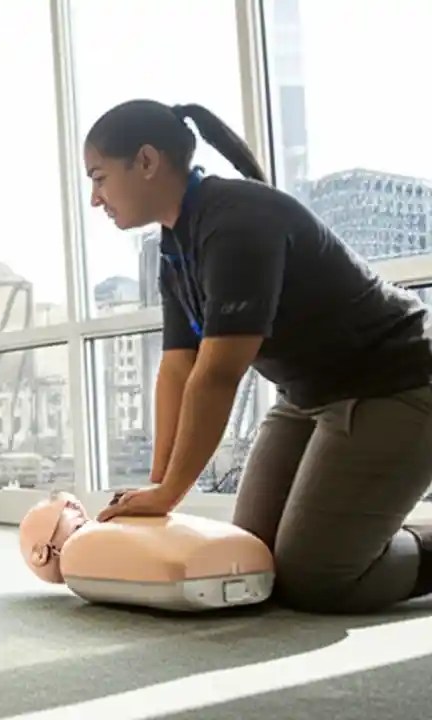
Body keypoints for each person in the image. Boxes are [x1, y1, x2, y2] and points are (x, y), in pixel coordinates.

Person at [86, 99, 432, 614]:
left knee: (318, 579)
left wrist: (170, 495)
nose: (95, 199)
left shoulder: (237, 221)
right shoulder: (176, 242)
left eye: (99, 177)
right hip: (307, 396)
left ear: (146, 161)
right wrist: (157, 487)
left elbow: (218, 374)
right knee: (253, 559)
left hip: (395, 383)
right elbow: (179, 368)